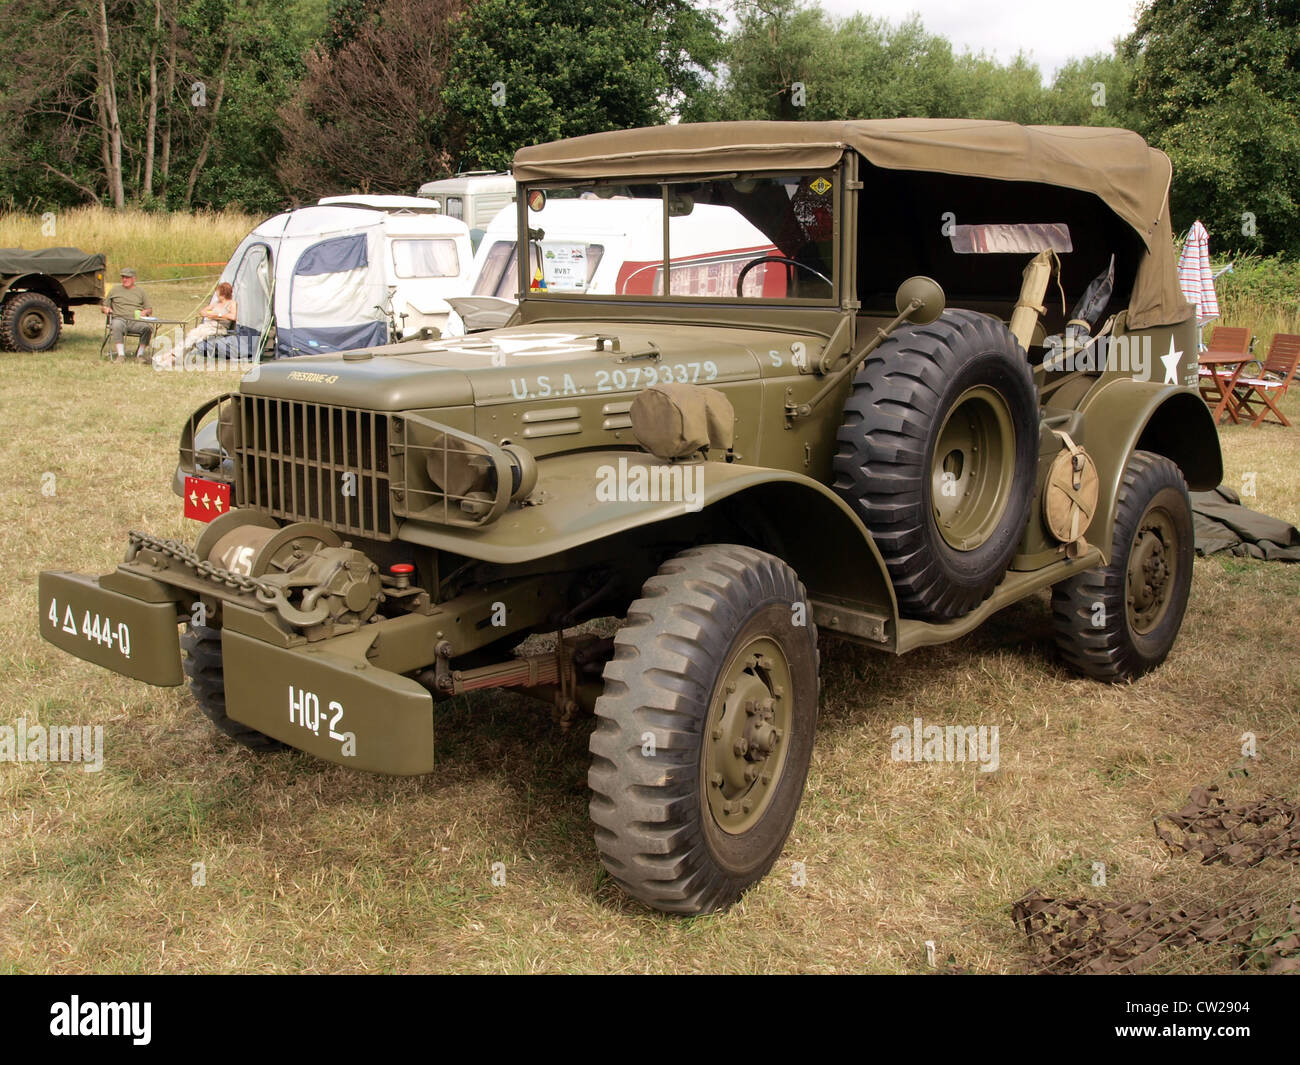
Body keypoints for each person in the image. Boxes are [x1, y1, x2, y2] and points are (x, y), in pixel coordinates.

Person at [157, 282, 237, 368]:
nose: (216, 294)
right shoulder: (216, 303)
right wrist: (209, 313)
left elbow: (233, 316)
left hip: (219, 328)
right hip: (207, 326)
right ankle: (171, 357)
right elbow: (202, 311)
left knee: (193, 338)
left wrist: (217, 315)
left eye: (217, 292)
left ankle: (168, 357)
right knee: (191, 337)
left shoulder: (232, 303)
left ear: (223, 292)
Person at [102, 267, 154, 361]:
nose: (124, 279)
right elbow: (104, 306)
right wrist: (106, 309)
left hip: (135, 320)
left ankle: (140, 355)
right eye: (123, 277)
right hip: (119, 318)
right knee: (116, 325)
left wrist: (145, 312)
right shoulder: (115, 290)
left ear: (134, 279)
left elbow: (149, 309)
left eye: (127, 277)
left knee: (147, 328)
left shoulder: (140, 291)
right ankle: (121, 355)